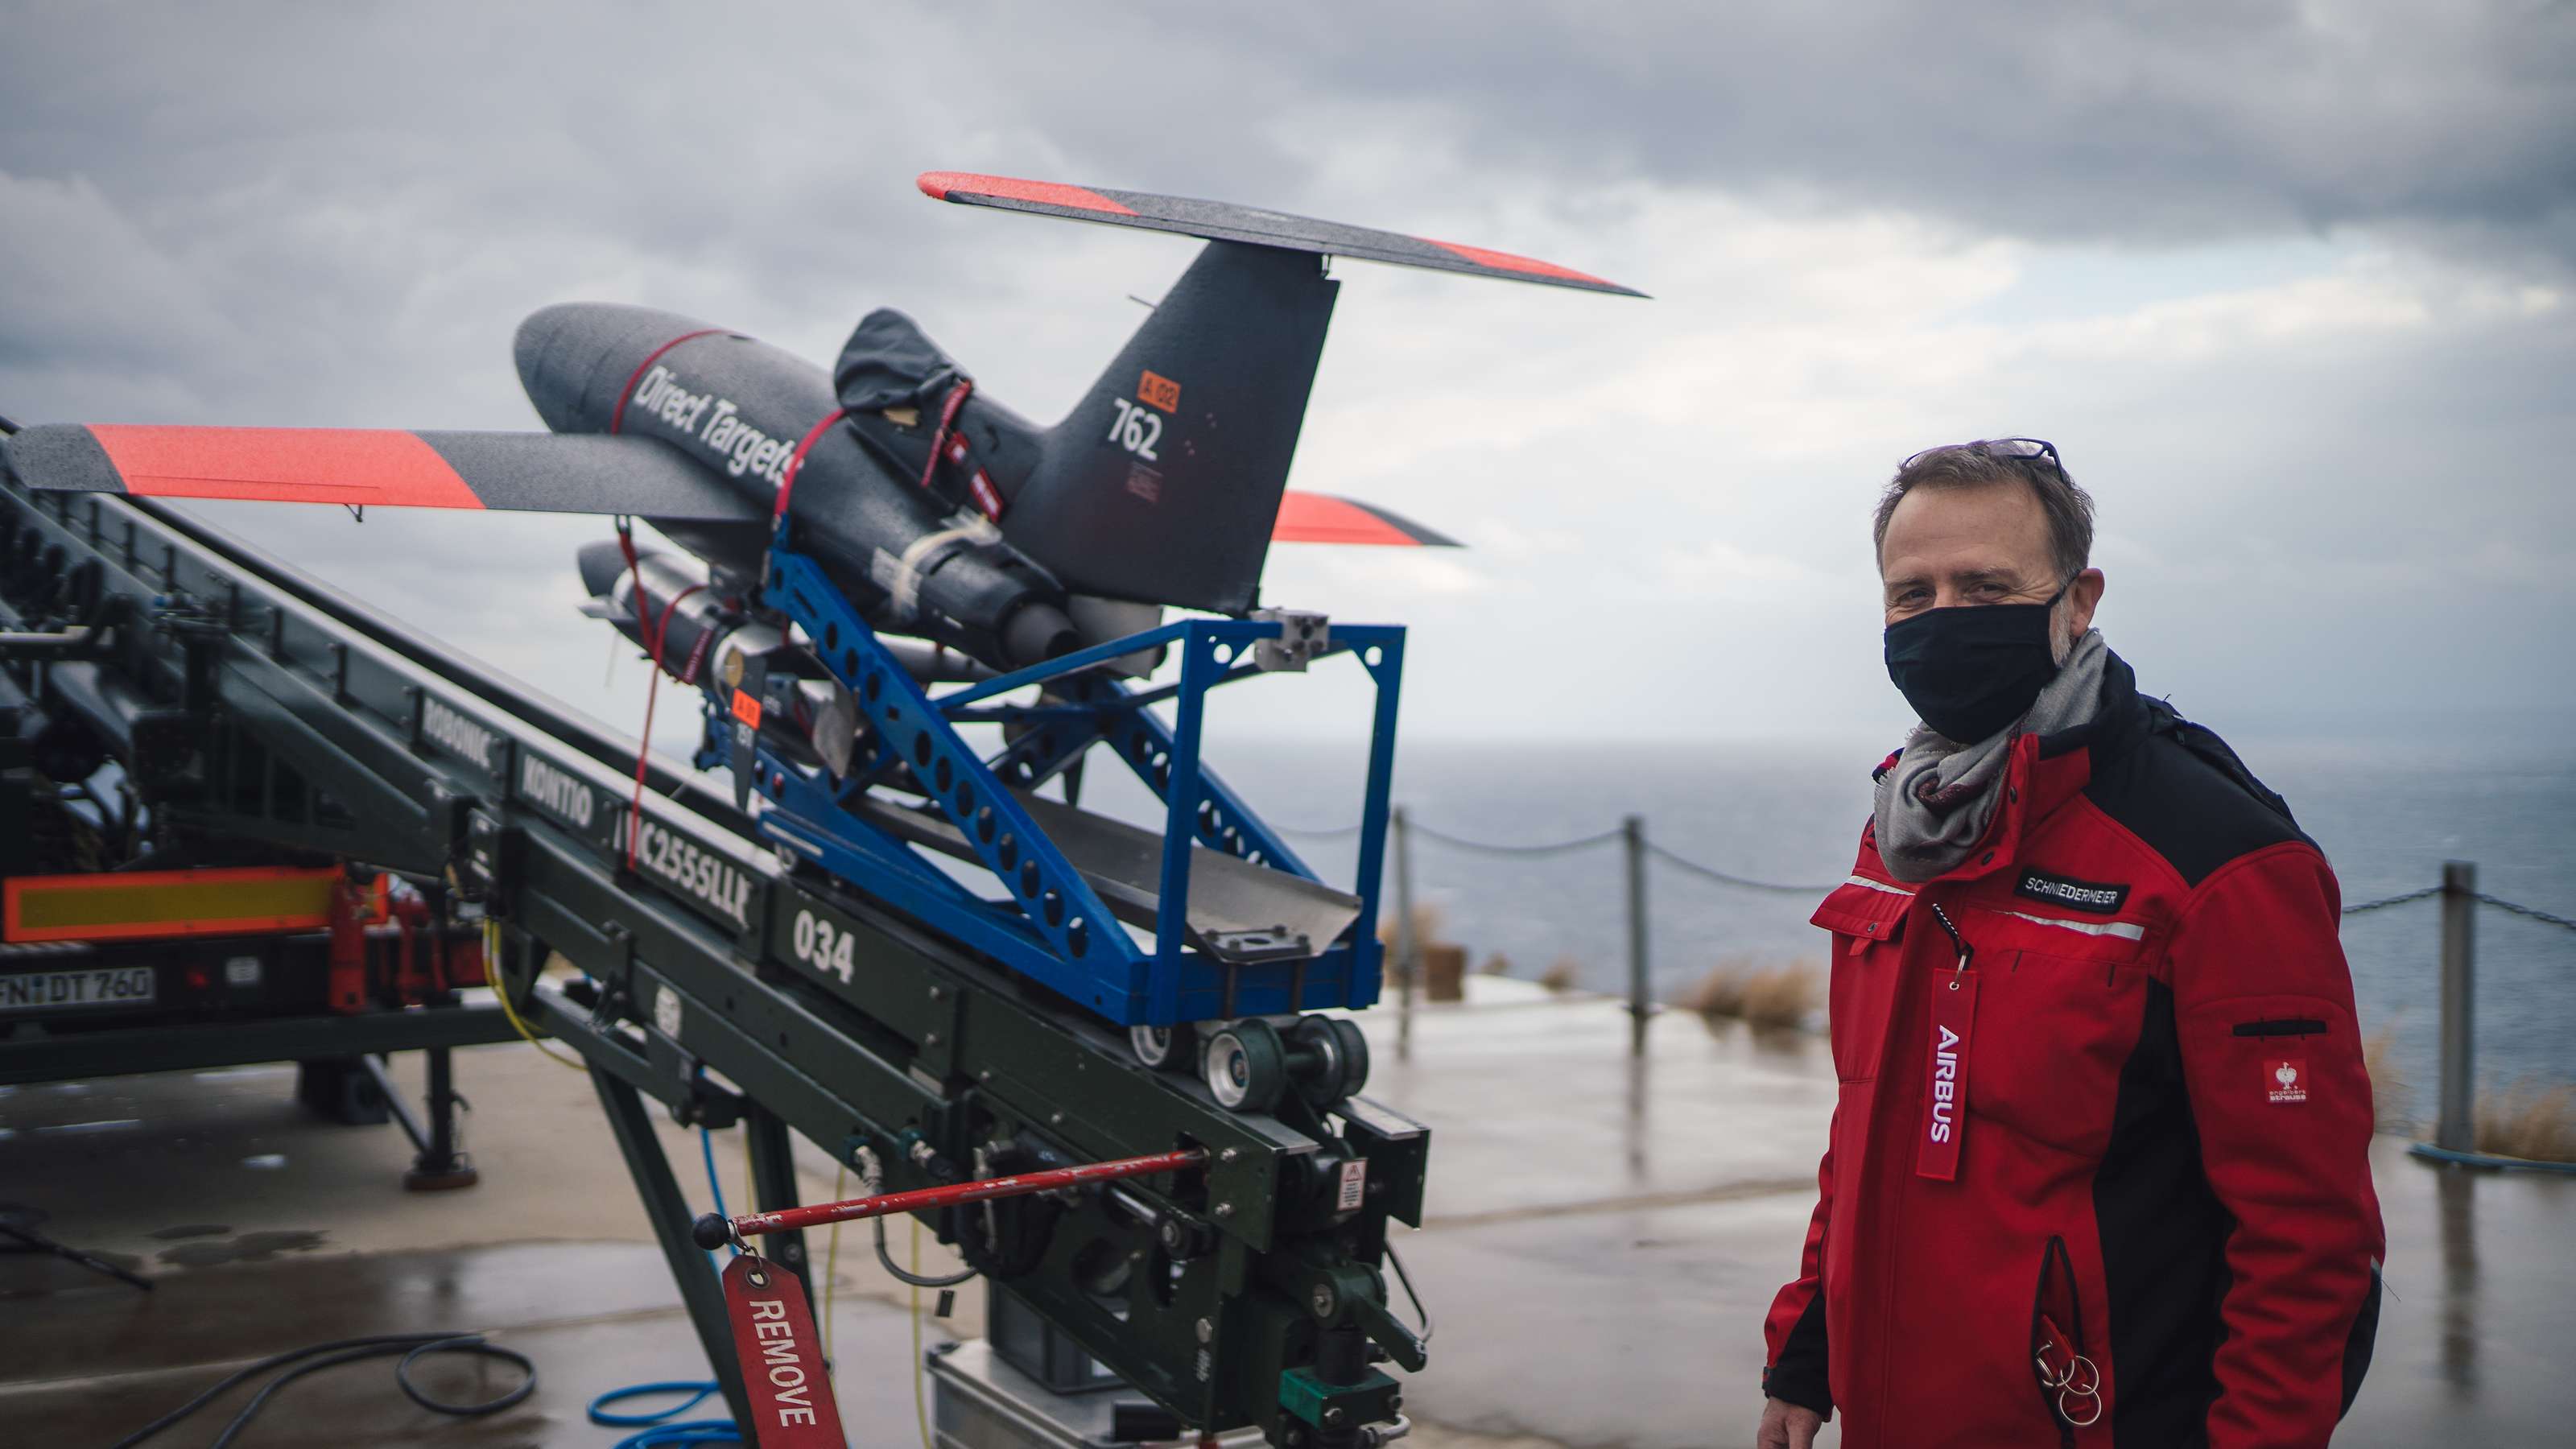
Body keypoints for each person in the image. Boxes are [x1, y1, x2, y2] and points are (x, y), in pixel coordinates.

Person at [1755, 440, 2384, 1448]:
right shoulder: (1904, 828)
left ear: (2078, 599)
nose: (1942, 618)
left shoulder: (2216, 858)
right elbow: (1864, 1127)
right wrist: (1806, 1350)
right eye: (1910, 594)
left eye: (1985, 586)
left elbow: (2306, 1241)